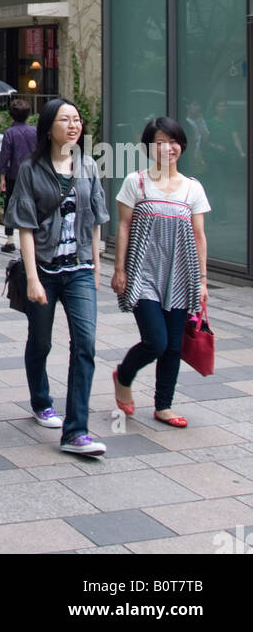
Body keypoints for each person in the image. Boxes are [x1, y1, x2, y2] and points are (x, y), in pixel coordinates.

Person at [6, 97, 110, 456]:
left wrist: (96, 266)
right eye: (65, 120)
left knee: (86, 344)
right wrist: (32, 278)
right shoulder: (31, 170)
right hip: (46, 270)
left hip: (80, 269)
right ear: (48, 128)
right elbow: (24, 226)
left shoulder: (89, 168)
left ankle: (75, 431)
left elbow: (96, 219)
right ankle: (40, 399)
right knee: (41, 341)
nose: (73, 125)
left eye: (77, 120)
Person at [111, 116, 210, 429]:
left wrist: (203, 280)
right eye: (160, 142)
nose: (168, 148)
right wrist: (119, 269)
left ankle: (164, 406)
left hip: (180, 275)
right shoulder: (136, 182)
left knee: (174, 345)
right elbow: (123, 226)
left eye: (173, 141)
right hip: (143, 274)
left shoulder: (193, 188)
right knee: (156, 341)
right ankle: (123, 375)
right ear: (149, 147)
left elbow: (199, 235)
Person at [0, 97, 37, 254]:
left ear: (11, 115)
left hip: (14, 175)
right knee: (32, 204)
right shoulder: (35, 131)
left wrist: (2, 177)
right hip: (33, 174)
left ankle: (10, 239)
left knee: (10, 204)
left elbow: (4, 157)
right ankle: (31, 238)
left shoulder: (10, 133)